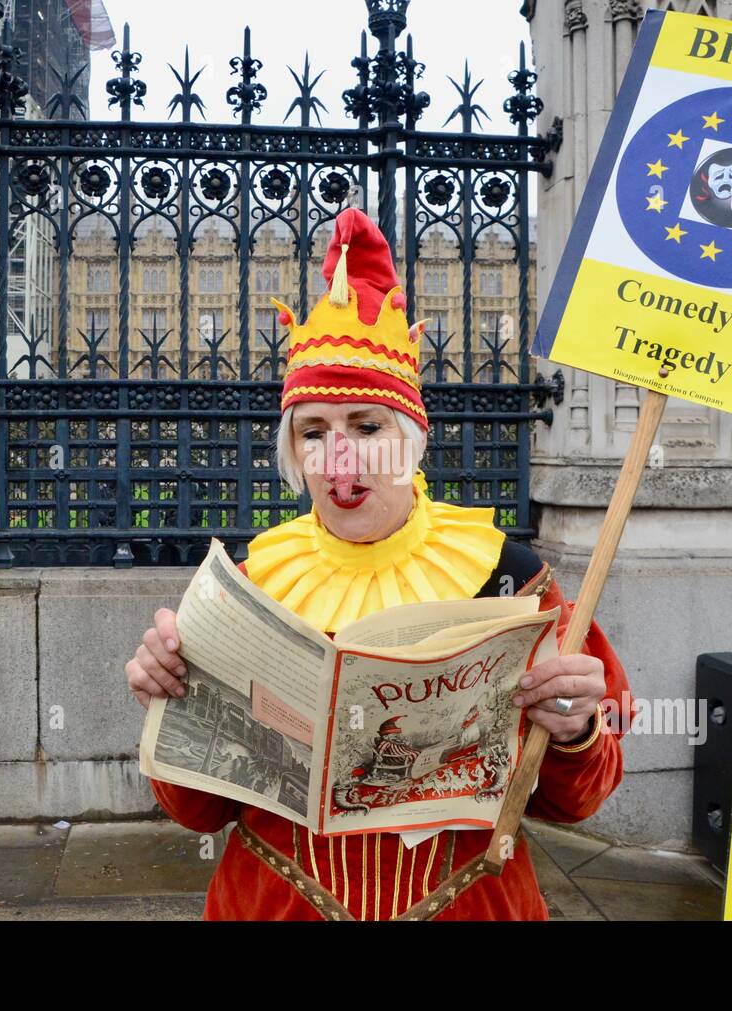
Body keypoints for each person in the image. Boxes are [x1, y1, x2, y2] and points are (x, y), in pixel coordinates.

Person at [125, 207, 632, 921]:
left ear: (411, 437)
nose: (339, 458)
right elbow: (198, 812)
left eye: (366, 426)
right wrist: (169, 704)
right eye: (314, 431)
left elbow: (578, 799)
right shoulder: (250, 587)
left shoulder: (512, 579)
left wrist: (578, 730)